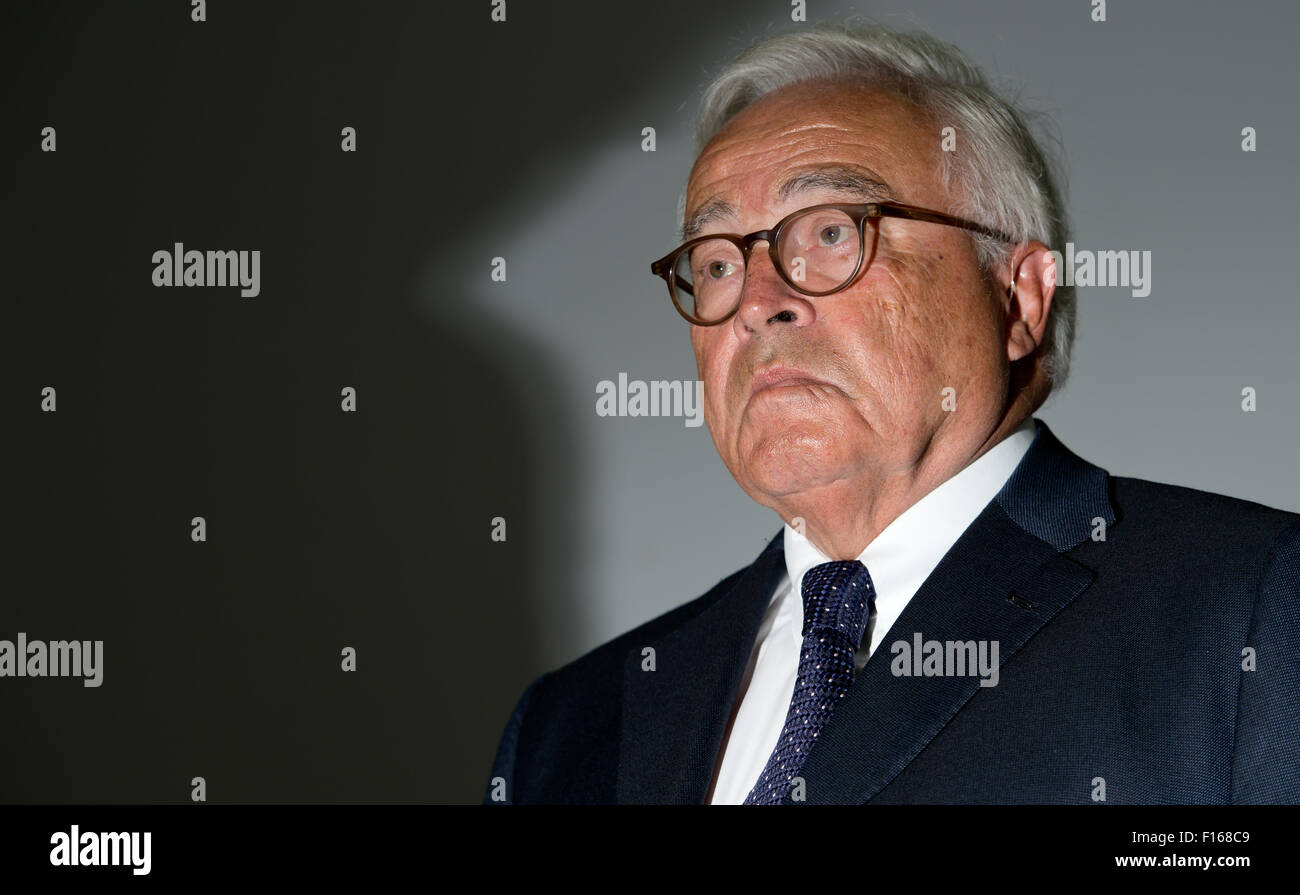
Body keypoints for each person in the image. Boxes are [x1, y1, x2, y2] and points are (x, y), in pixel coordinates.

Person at [484, 22, 1300, 804]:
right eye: (720, 260)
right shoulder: (570, 726)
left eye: (833, 231)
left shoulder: (1250, 610)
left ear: (1018, 297)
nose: (759, 303)